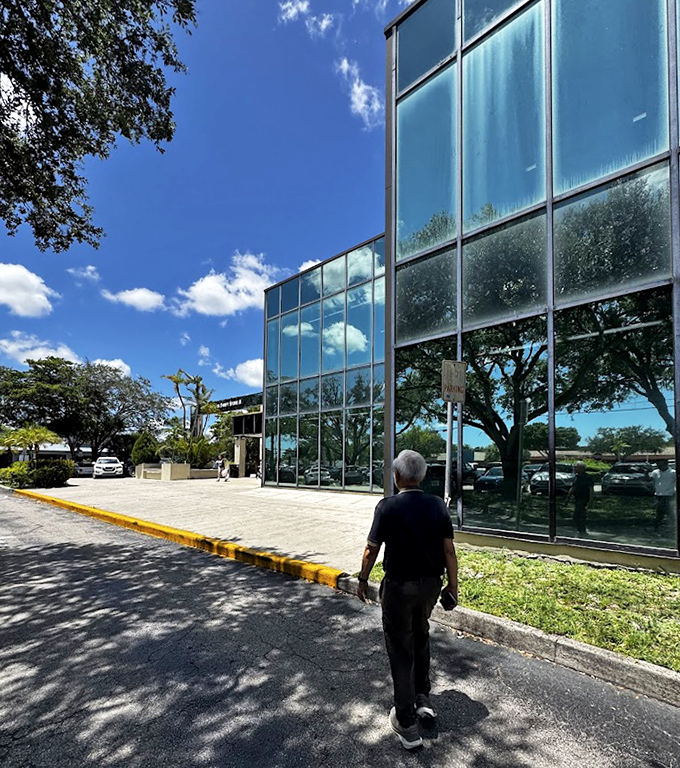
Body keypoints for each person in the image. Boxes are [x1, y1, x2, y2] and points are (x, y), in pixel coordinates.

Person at [357, 450, 458, 750]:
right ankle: (422, 697)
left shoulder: (387, 507)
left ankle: (405, 721)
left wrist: (363, 579)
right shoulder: (437, 505)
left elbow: (371, 550)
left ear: (397, 476)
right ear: (422, 476)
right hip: (430, 586)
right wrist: (453, 586)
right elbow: (449, 551)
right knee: (421, 636)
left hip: (399, 588)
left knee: (400, 648)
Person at [566, 461, 593, 537]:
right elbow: (573, 488)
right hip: (577, 499)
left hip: (583, 499)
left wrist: (591, 501)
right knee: (576, 515)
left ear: (581, 468)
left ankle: (582, 530)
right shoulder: (577, 477)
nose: (575, 469)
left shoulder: (587, 478)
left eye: (576, 467)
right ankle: (580, 529)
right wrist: (568, 498)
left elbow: (591, 490)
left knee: (580, 515)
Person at [651, 459, 676, 528]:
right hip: (658, 494)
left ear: (666, 464)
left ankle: (672, 525)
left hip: (669, 494)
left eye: (661, 465)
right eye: (658, 465)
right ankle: (658, 526)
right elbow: (653, 482)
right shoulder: (655, 472)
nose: (659, 466)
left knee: (668, 510)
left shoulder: (673, 472)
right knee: (660, 511)